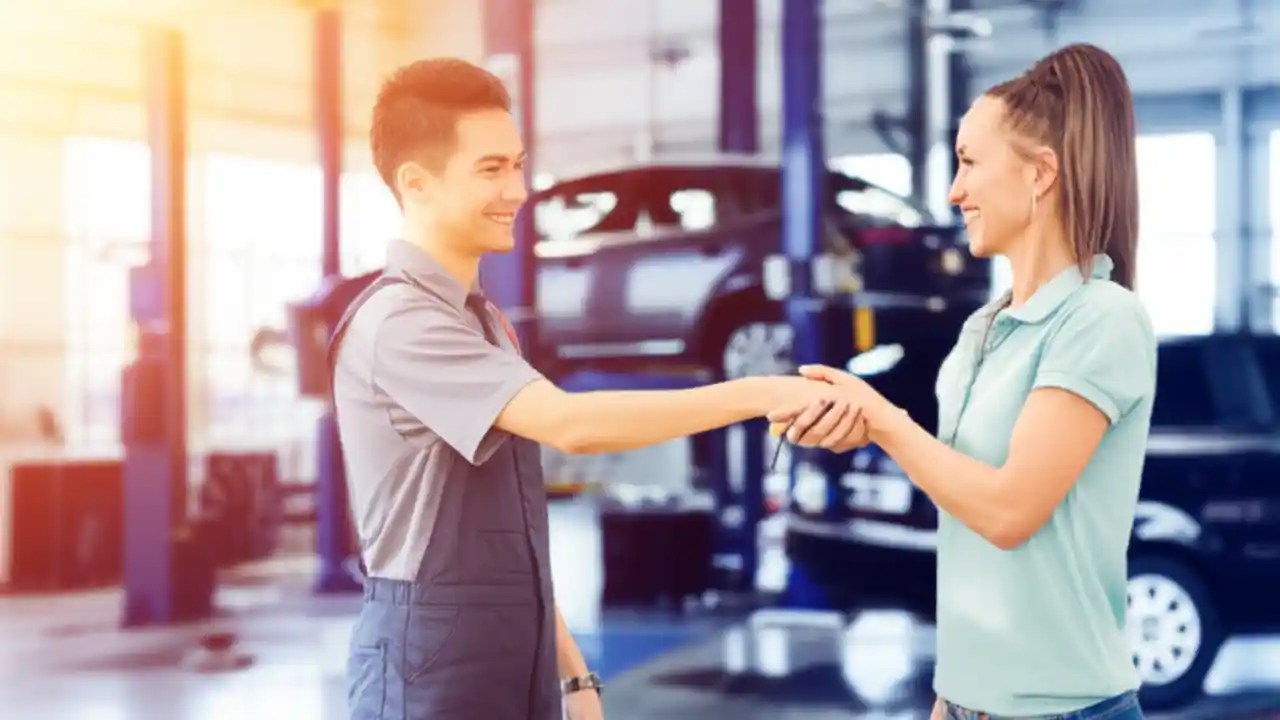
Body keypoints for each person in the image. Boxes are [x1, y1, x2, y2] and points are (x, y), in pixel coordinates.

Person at [333, 58, 854, 720]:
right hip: (427, 663)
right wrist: (758, 394)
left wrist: (573, 677)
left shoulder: (482, 320)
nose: (518, 190)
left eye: (518, 165)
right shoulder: (400, 323)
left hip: (507, 652)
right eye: (491, 169)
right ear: (418, 183)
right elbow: (573, 425)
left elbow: (514, 542)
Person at [774, 43, 1153, 720]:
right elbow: (970, 524)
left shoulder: (1102, 318)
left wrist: (886, 422)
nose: (954, 191)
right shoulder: (982, 331)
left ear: (1041, 174)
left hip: (1066, 709)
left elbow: (1009, 513)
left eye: (969, 162)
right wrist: (954, 694)